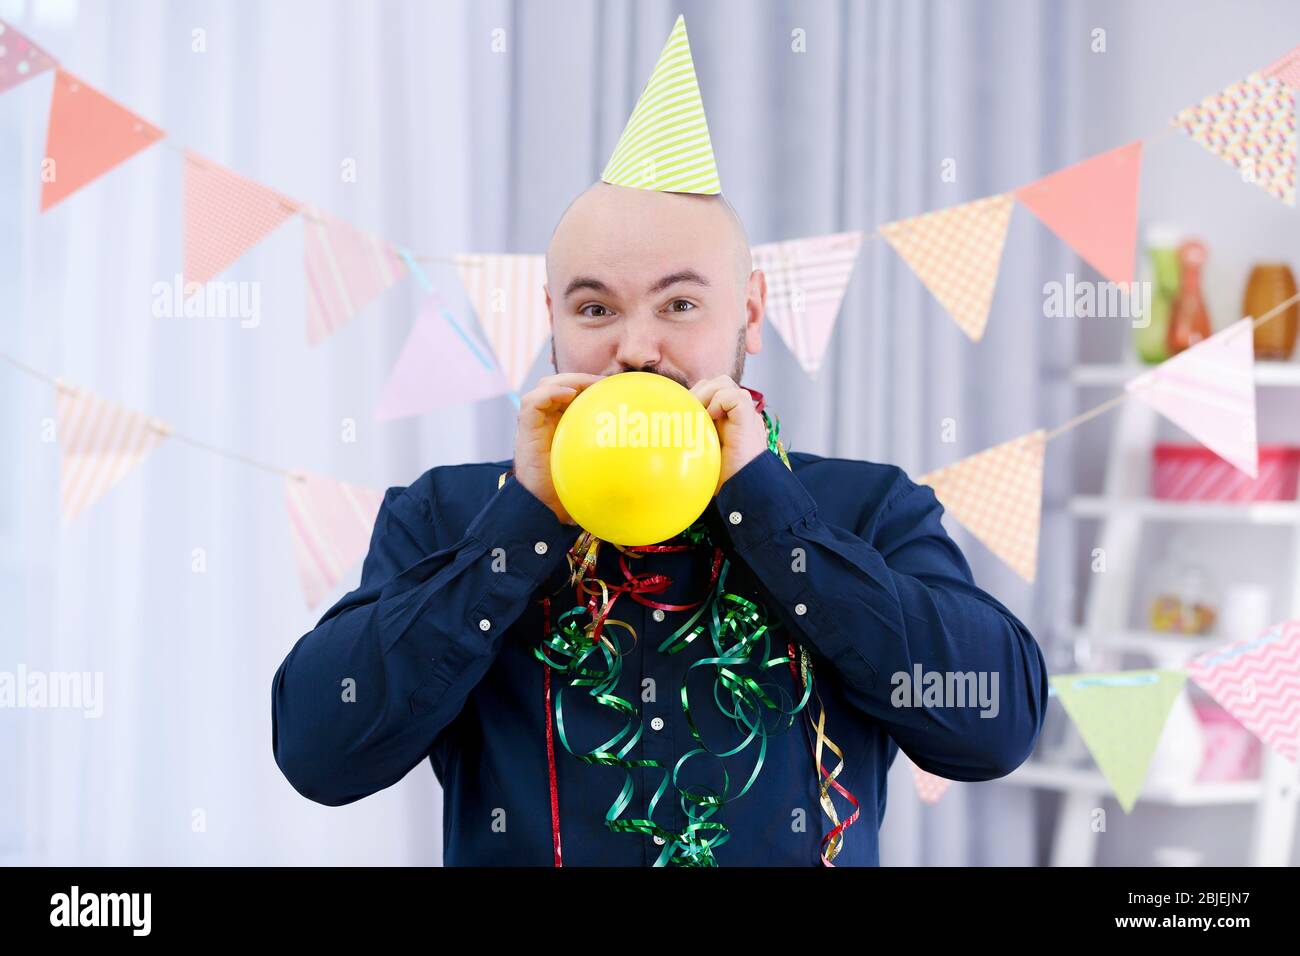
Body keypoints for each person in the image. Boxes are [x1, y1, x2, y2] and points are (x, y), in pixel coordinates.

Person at [270, 180, 1050, 866]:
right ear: (553, 320)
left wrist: (772, 513)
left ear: (749, 312)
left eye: (679, 304)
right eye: (595, 307)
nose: (636, 349)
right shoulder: (446, 514)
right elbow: (318, 753)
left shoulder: (868, 507)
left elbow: (995, 723)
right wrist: (522, 524)